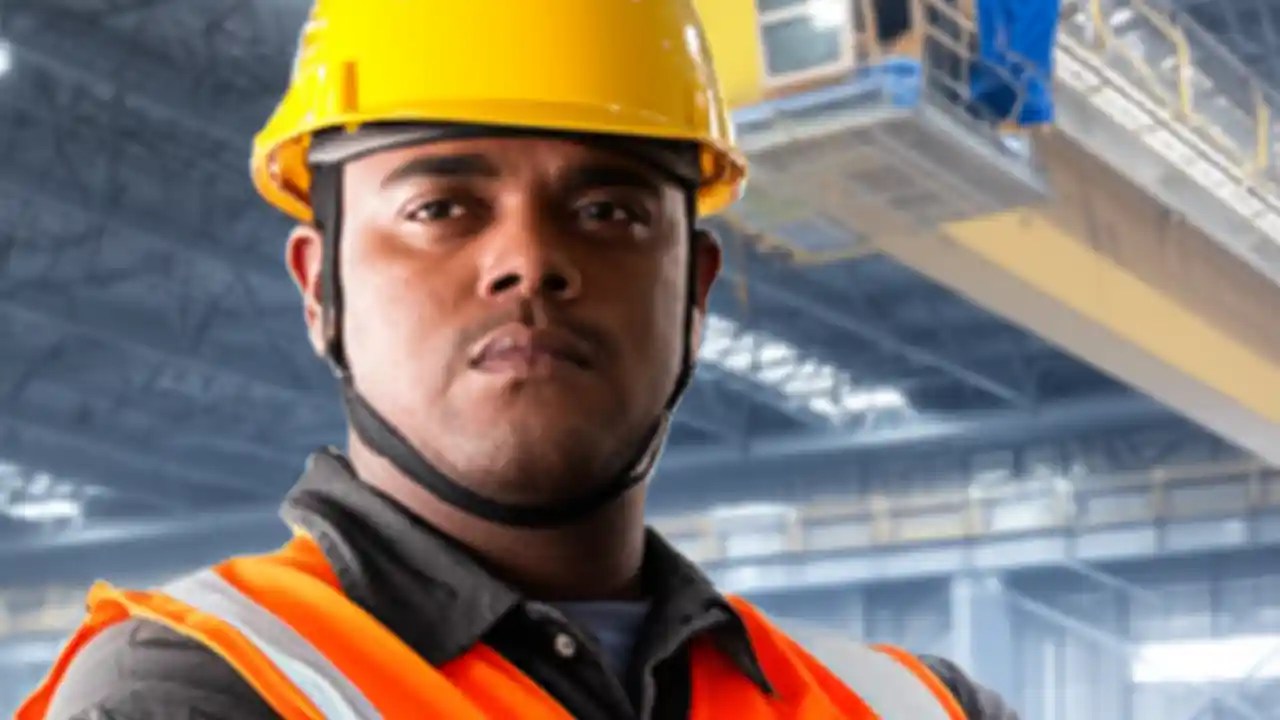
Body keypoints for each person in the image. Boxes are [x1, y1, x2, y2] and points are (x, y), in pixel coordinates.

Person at [18, 1, 1020, 717]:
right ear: (318, 288)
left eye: (607, 212)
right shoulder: (195, 691)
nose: (530, 263)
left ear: (697, 291)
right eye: (439, 208)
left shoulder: (918, 706)